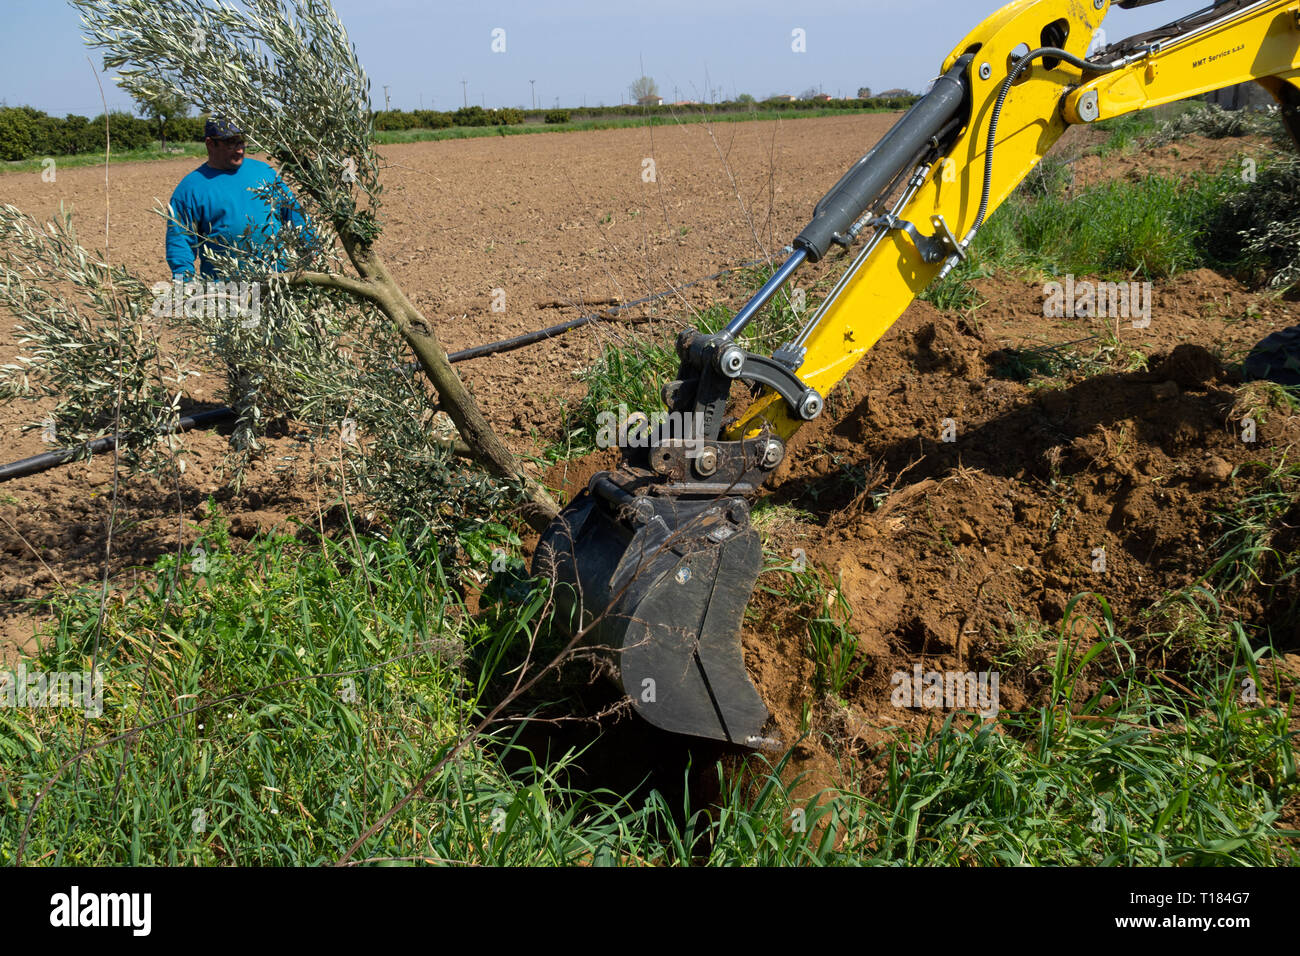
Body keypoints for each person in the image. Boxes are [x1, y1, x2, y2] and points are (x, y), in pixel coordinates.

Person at [166, 117, 317, 281]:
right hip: (229, 292)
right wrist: (185, 285)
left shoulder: (265, 172)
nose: (239, 150)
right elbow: (179, 244)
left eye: (241, 142)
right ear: (210, 143)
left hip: (280, 282)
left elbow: (294, 214)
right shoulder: (190, 189)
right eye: (230, 143)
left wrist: (311, 249)